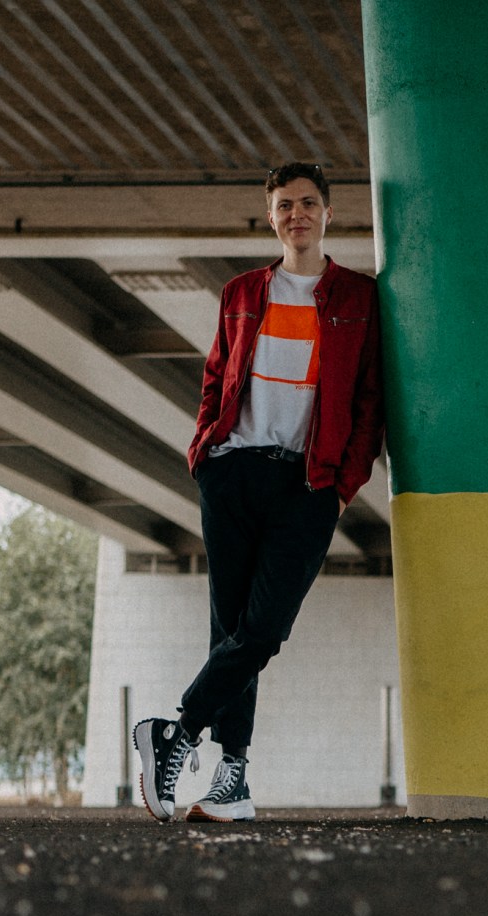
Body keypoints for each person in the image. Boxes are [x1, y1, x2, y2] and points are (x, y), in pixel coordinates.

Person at [132, 161, 385, 821]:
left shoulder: (359, 298)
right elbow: (217, 373)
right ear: (271, 217)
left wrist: (343, 486)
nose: (295, 215)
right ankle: (232, 778)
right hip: (234, 469)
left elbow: (369, 403)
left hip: (308, 480)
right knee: (231, 628)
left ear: (329, 213)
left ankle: (176, 731)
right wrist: (204, 453)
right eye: (283, 206)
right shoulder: (242, 291)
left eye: (306, 203)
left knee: (264, 629)